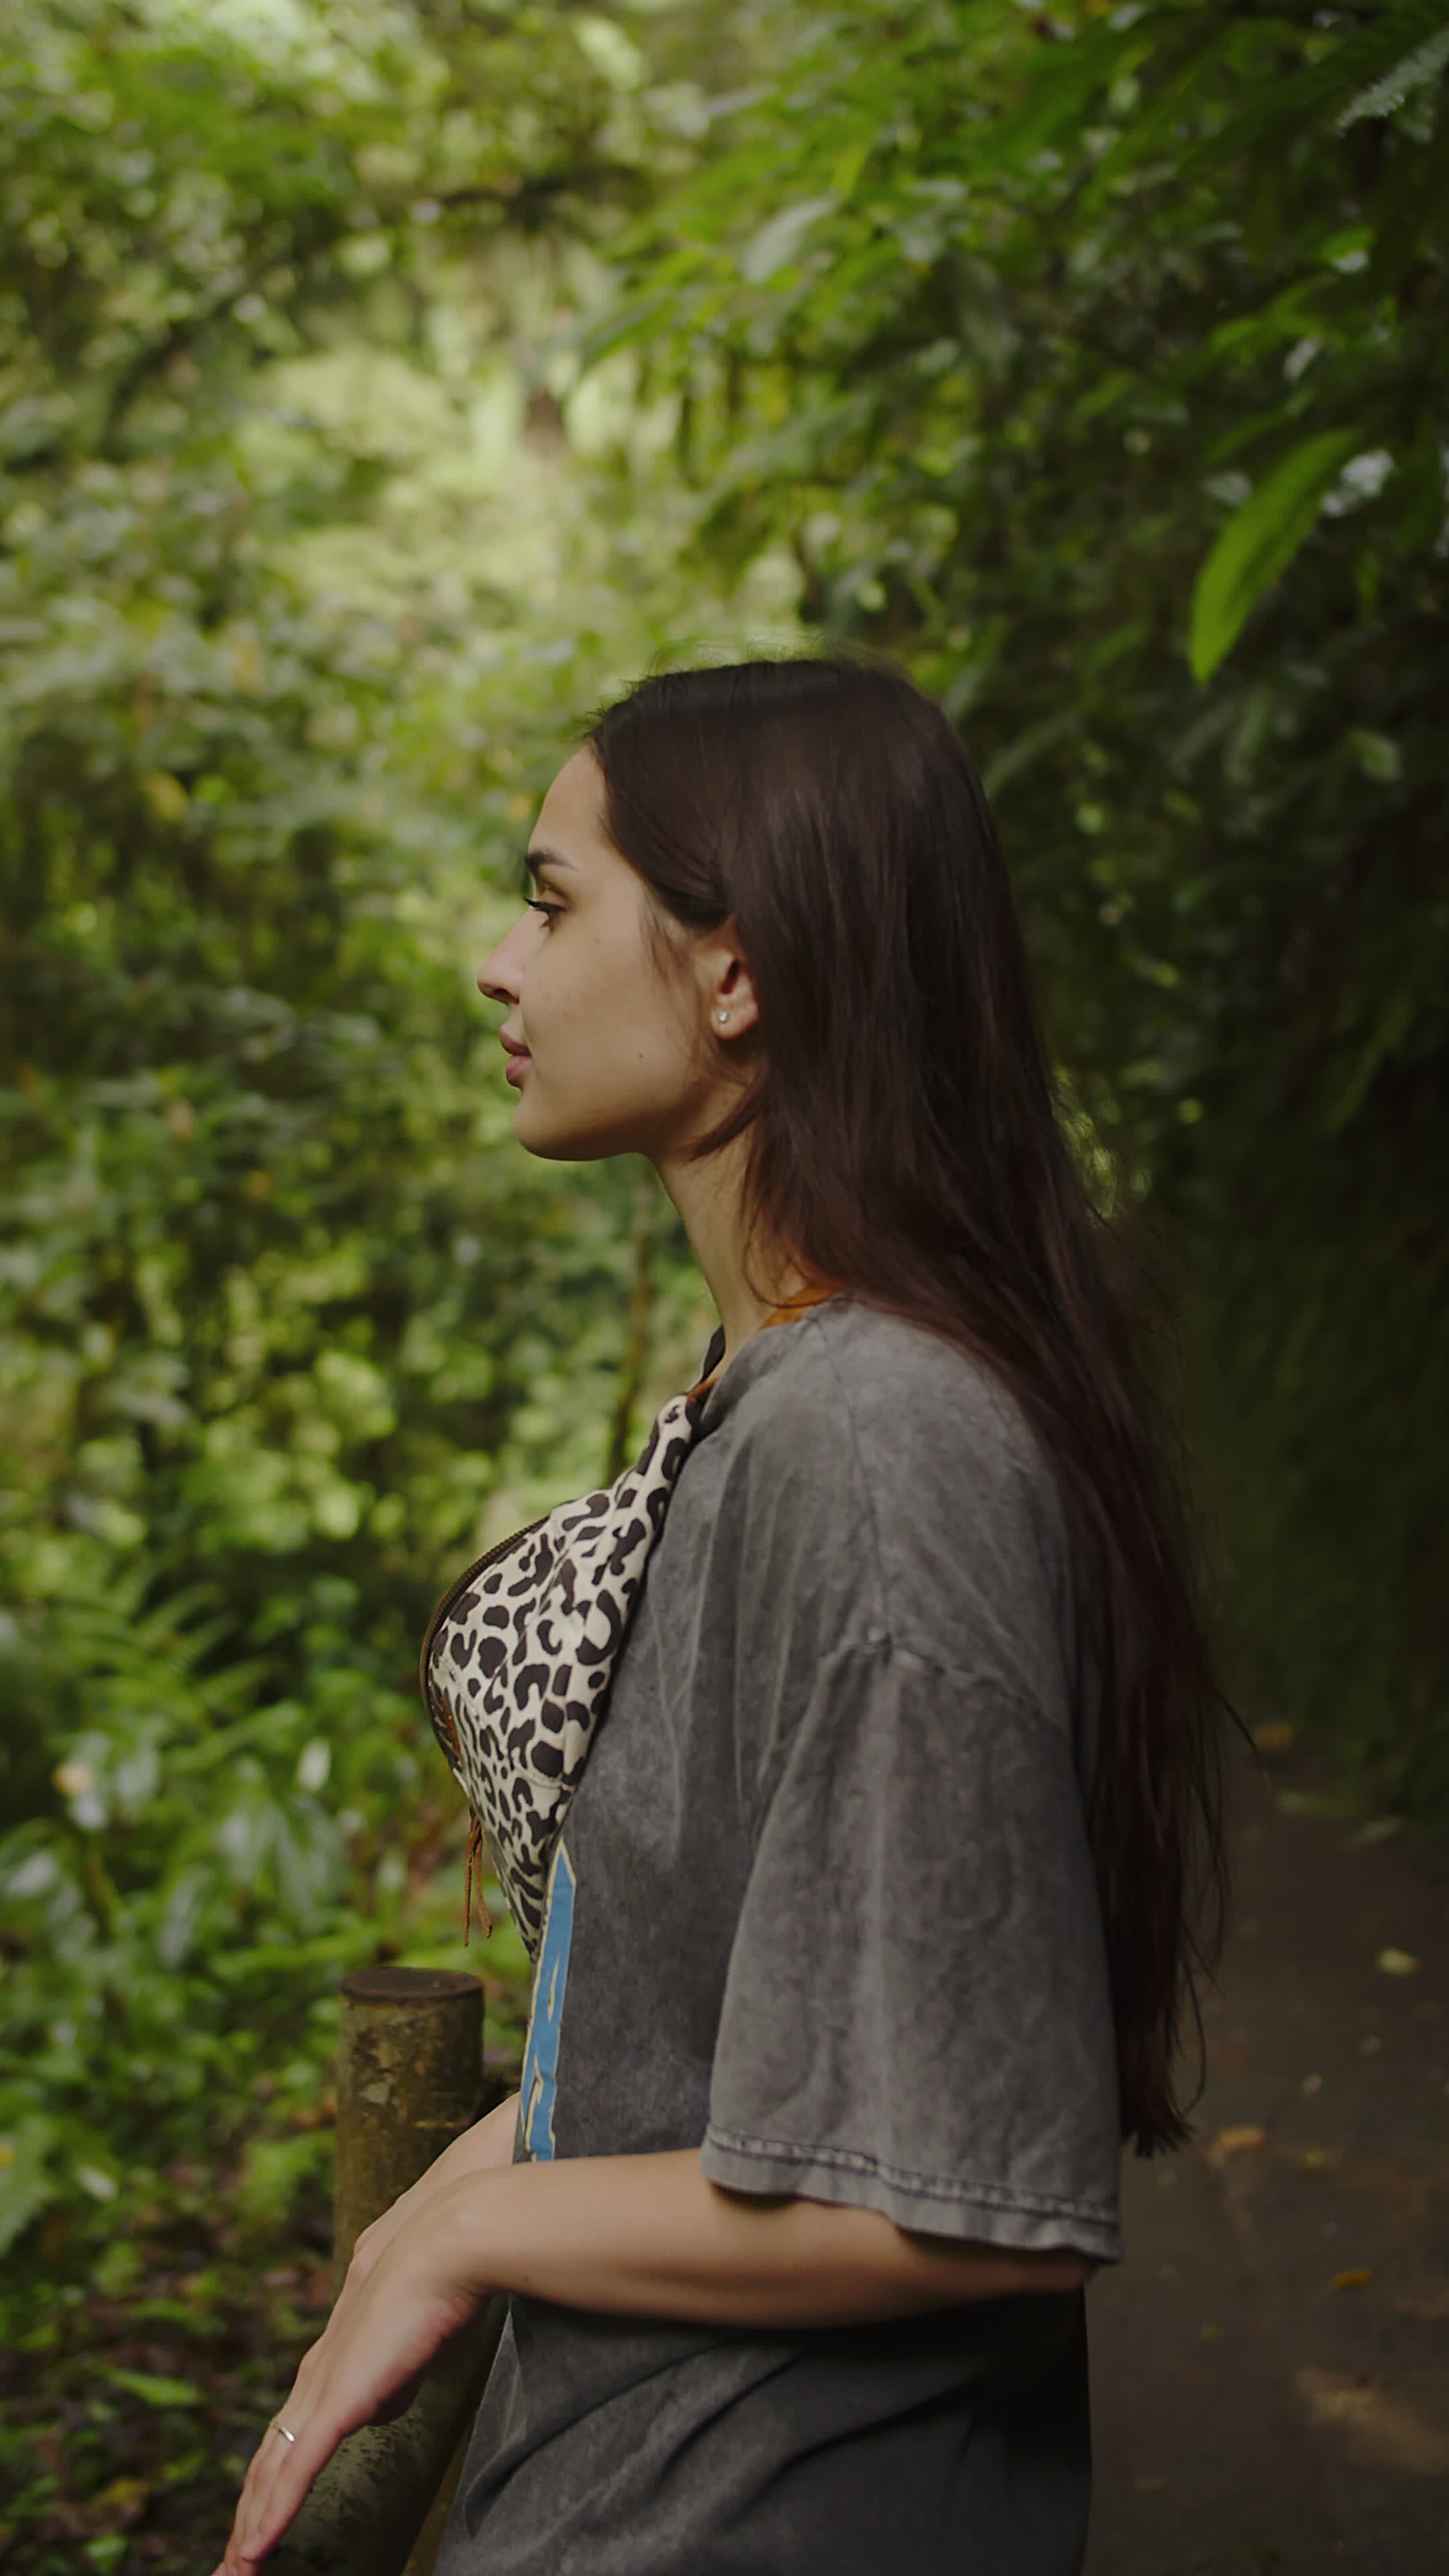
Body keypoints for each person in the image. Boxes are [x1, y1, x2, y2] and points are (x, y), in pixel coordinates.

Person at [215, 655, 1239, 2576]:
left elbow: (953, 2200)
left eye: (548, 898)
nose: (495, 966)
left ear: (739, 971)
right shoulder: (788, 1395)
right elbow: (711, 2021)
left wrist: (464, 2229)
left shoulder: (877, 1437)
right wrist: (471, 2169)